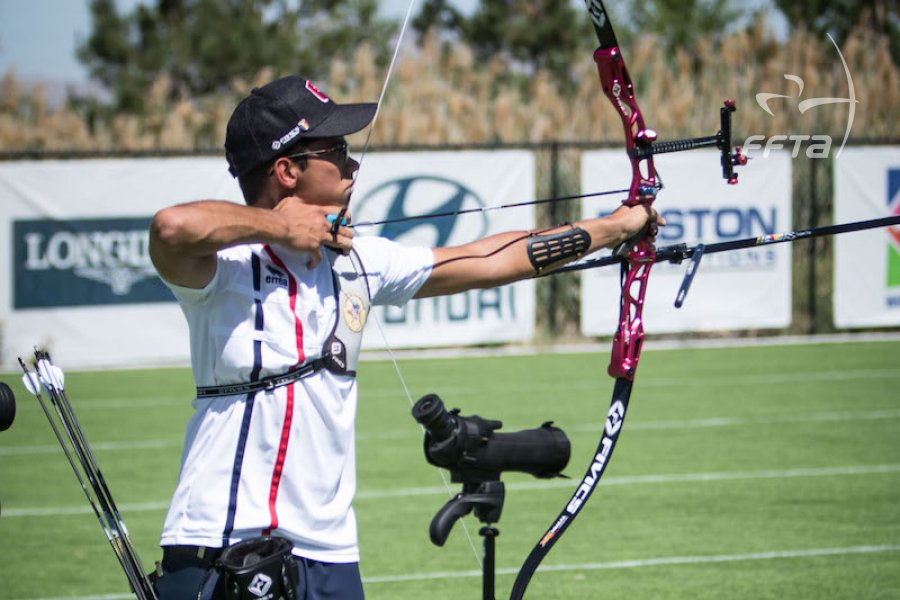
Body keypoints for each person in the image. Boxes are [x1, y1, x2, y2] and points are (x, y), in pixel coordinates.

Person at [148, 75, 661, 600]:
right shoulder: (225, 269)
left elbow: (491, 259)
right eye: (337, 151)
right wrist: (282, 228)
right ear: (287, 170)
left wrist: (616, 227)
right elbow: (171, 227)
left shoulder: (358, 260)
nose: (353, 164)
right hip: (223, 541)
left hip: (329, 550)